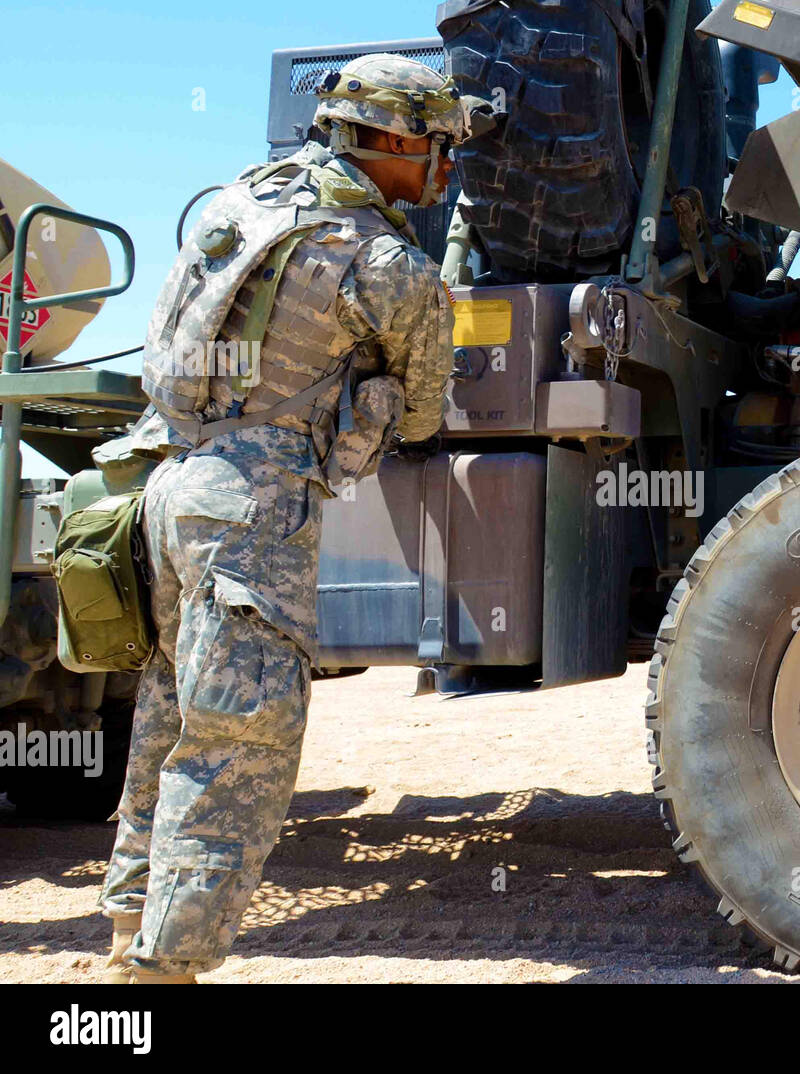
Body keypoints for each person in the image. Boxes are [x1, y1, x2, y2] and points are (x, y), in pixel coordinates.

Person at [99, 53, 479, 982]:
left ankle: (125, 932)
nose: (442, 167)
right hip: (253, 519)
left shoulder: (236, 206)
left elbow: (162, 352)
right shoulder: (387, 261)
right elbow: (426, 411)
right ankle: (162, 975)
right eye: (432, 144)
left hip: (170, 490)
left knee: (170, 721)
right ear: (387, 138)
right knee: (239, 748)